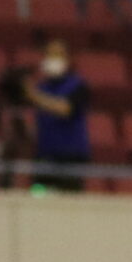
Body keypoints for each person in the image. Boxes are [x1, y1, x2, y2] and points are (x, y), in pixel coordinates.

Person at [26, 39, 91, 190]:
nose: (52, 59)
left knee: (67, 205)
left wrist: (33, 96)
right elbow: (37, 125)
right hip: (45, 156)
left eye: (57, 55)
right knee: (38, 196)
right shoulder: (42, 87)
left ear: (67, 59)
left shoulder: (78, 86)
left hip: (71, 158)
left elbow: (65, 109)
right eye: (49, 55)